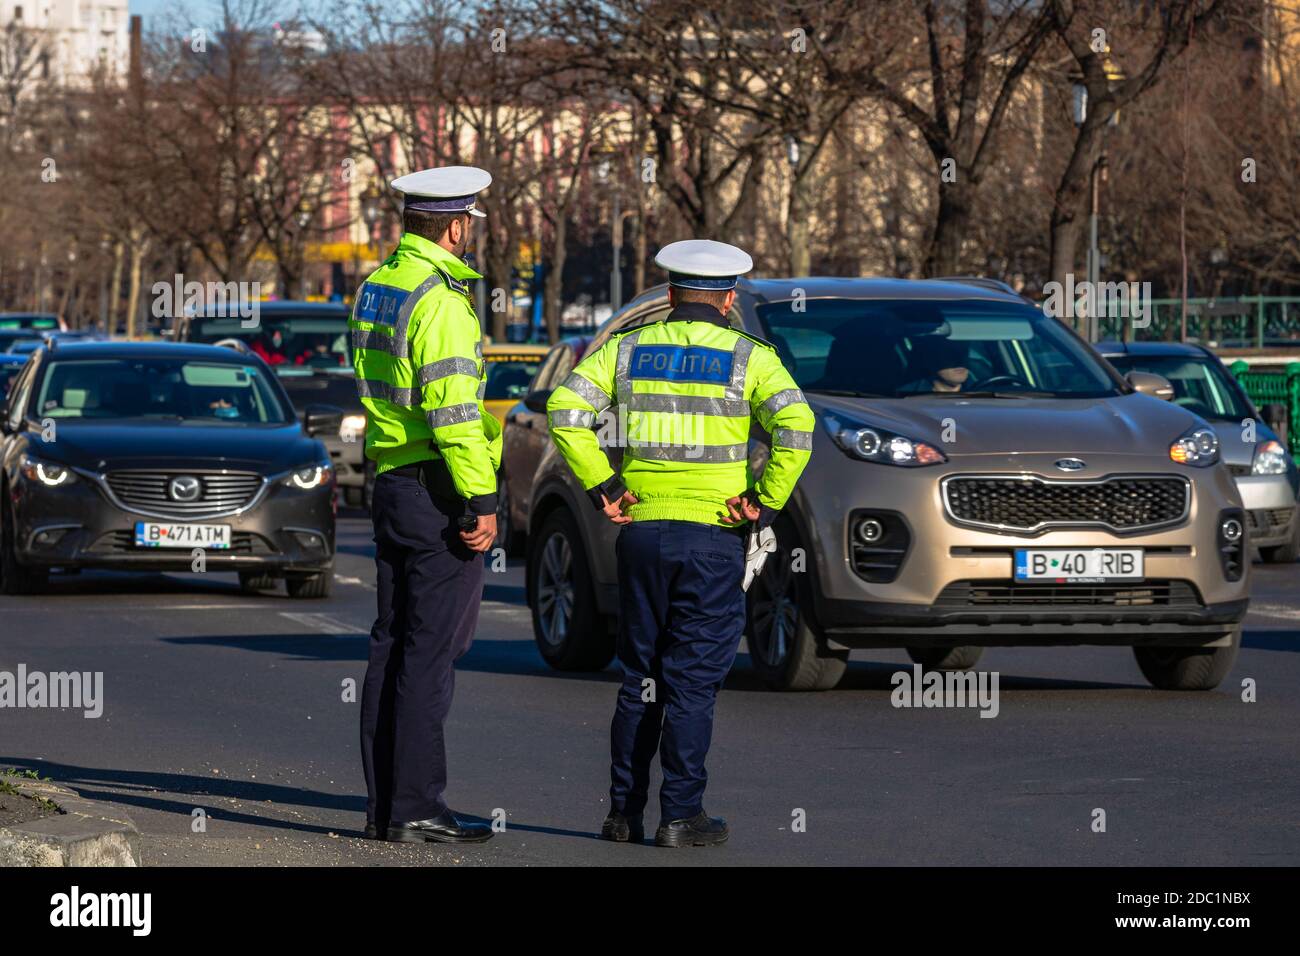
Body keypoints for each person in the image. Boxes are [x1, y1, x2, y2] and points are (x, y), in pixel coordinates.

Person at [547, 239, 815, 847]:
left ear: (669, 295)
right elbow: (797, 429)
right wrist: (764, 503)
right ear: (727, 298)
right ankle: (680, 815)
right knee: (690, 682)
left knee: (640, 675)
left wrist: (604, 485)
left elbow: (565, 411)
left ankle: (622, 813)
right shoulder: (751, 358)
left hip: (642, 535)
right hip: (713, 538)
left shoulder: (625, 349)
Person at [350, 165, 500, 845]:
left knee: (390, 646)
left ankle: (385, 806)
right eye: (467, 224)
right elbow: (455, 412)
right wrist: (482, 497)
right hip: (437, 485)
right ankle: (417, 807)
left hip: (390, 481)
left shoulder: (378, 287)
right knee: (430, 653)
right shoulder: (440, 299)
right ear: (456, 225)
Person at [898, 336, 970, 393]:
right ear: (929, 359)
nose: (959, 360)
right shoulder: (904, 397)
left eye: (963, 353)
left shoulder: (979, 390)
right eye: (949, 355)